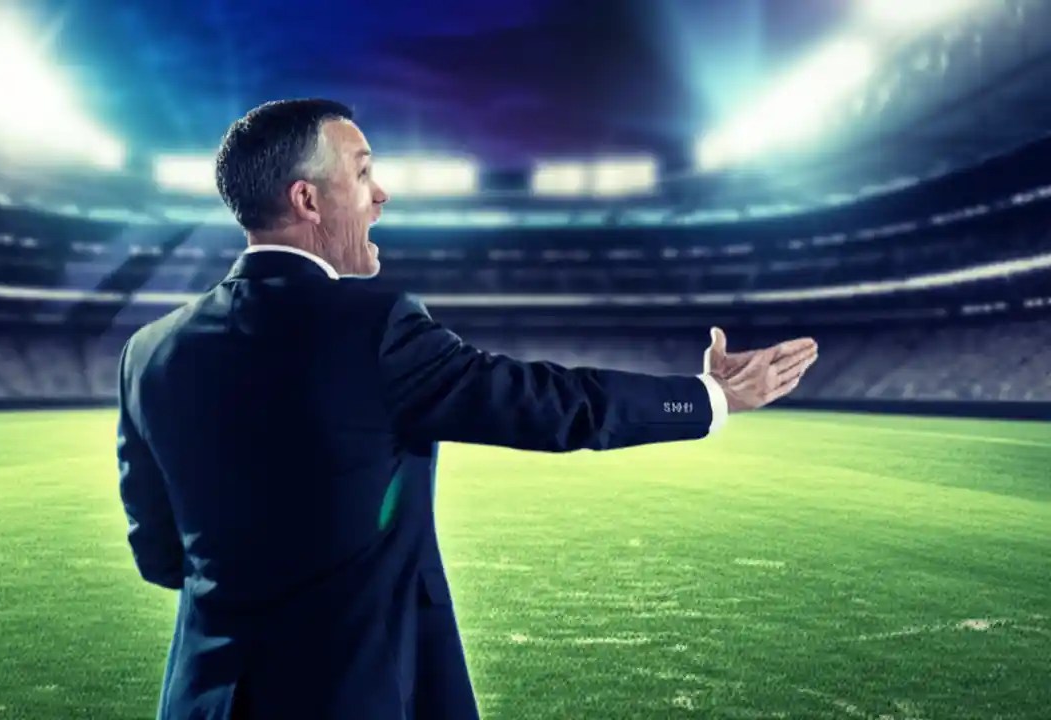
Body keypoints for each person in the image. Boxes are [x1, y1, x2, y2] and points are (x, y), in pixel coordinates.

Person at [115, 98, 819, 719]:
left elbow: (160, 555)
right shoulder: (374, 327)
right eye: (362, 173)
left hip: (205, 699)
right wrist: (710, 397)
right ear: (308, 200)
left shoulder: (149, 350)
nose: (381, 193)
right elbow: (548, 404)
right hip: (349, 696)